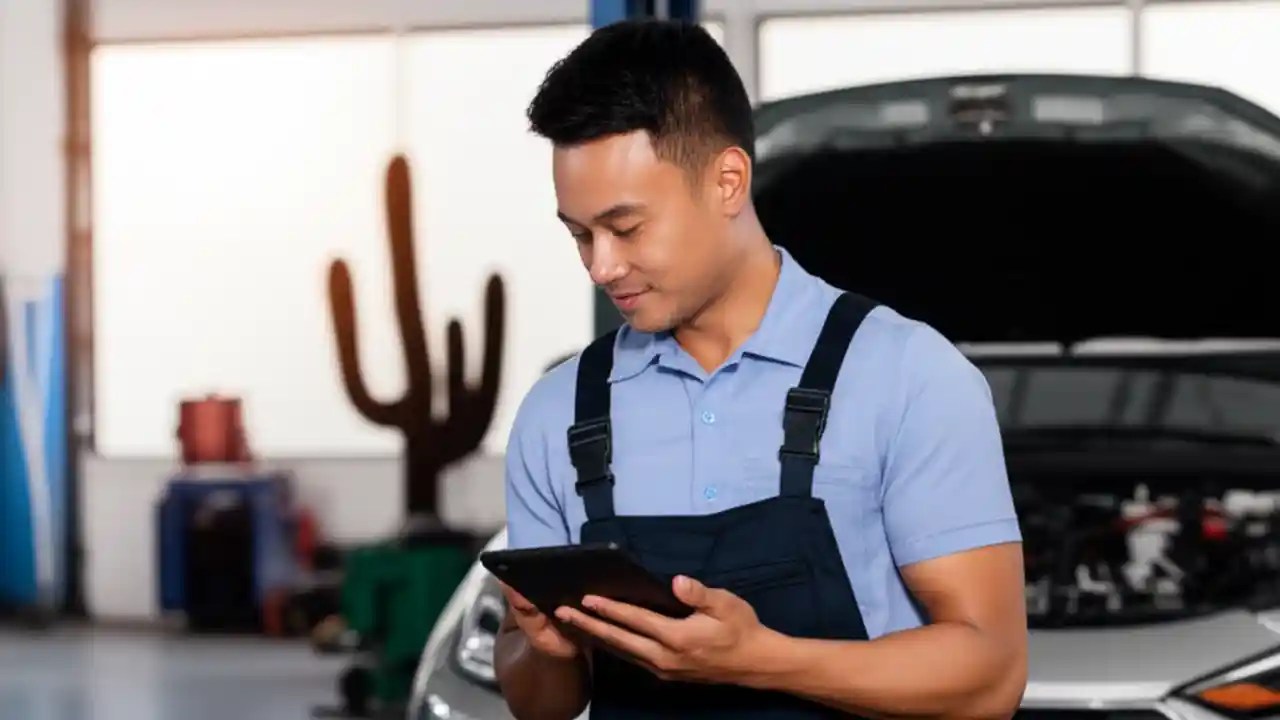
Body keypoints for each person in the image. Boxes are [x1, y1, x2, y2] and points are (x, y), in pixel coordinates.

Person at [493, 18, 1027, 720]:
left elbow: (991, 677)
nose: (602, 266)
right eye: (579, 235)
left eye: (625, 229)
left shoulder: (908, 377)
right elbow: (541, 705)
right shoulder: (557, 415)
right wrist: (546, 652)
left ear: (728, 181)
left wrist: (760, 660)